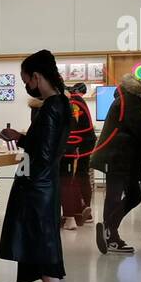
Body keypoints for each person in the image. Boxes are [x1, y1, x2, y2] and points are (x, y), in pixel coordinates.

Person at [0, 49, 70, 282]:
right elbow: (46, 148)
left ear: (36, 78)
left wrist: (27, 149)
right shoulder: (61, 105)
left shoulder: (51, 107)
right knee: (49, 251)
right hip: (46, 185)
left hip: (38, 189)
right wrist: (22, 138)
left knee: (46, 254)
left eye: (26, 79)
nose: (26, 85)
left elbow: (42, 154)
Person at [92, 71, 141, 254]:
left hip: (117, 155)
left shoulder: (124, 97)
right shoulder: (130, 100)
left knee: (124, 195)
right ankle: (111, 234)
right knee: (123, 195)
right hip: (116, 156)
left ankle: (109, 230)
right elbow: (139, 129)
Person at [60, 82, 95, 229]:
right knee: (80, 174)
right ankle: (82, 212)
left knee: (76, 176)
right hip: (83, 141)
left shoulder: (71, 101)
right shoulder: (76, 99)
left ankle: (81, 212)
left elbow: (73, 125)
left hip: (79, 143)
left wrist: (70, 147)